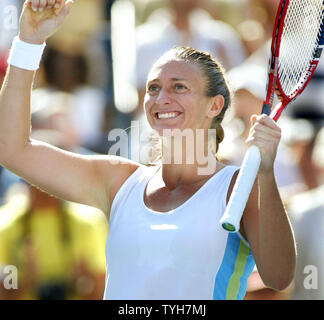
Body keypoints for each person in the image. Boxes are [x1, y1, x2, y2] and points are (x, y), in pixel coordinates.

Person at [0, 0, 296, 300]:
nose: (161, 98)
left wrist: (266, 174)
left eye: (178, 87)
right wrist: (29, 41)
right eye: (153, 88)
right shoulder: (118, 180)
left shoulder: (241, 188)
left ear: (215, 105)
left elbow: (279, 275)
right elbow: (12, 150)